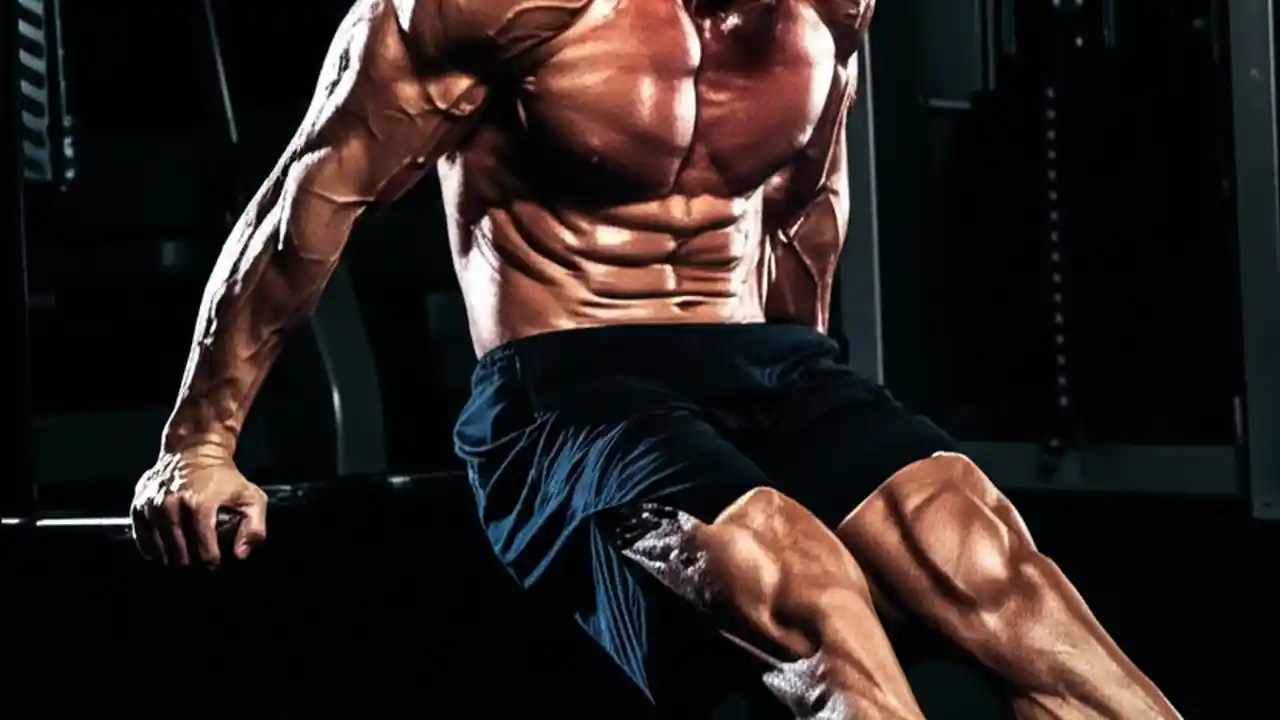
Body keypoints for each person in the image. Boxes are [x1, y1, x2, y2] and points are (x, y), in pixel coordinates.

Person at [130, 0, 1181, 717]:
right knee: (807, 590)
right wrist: (199, 444)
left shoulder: (828, 6)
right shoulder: (486, 6)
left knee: (1000, 574)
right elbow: (310, 201)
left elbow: (804, 208)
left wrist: (826, 408)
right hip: (568, 380)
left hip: (772, 365)